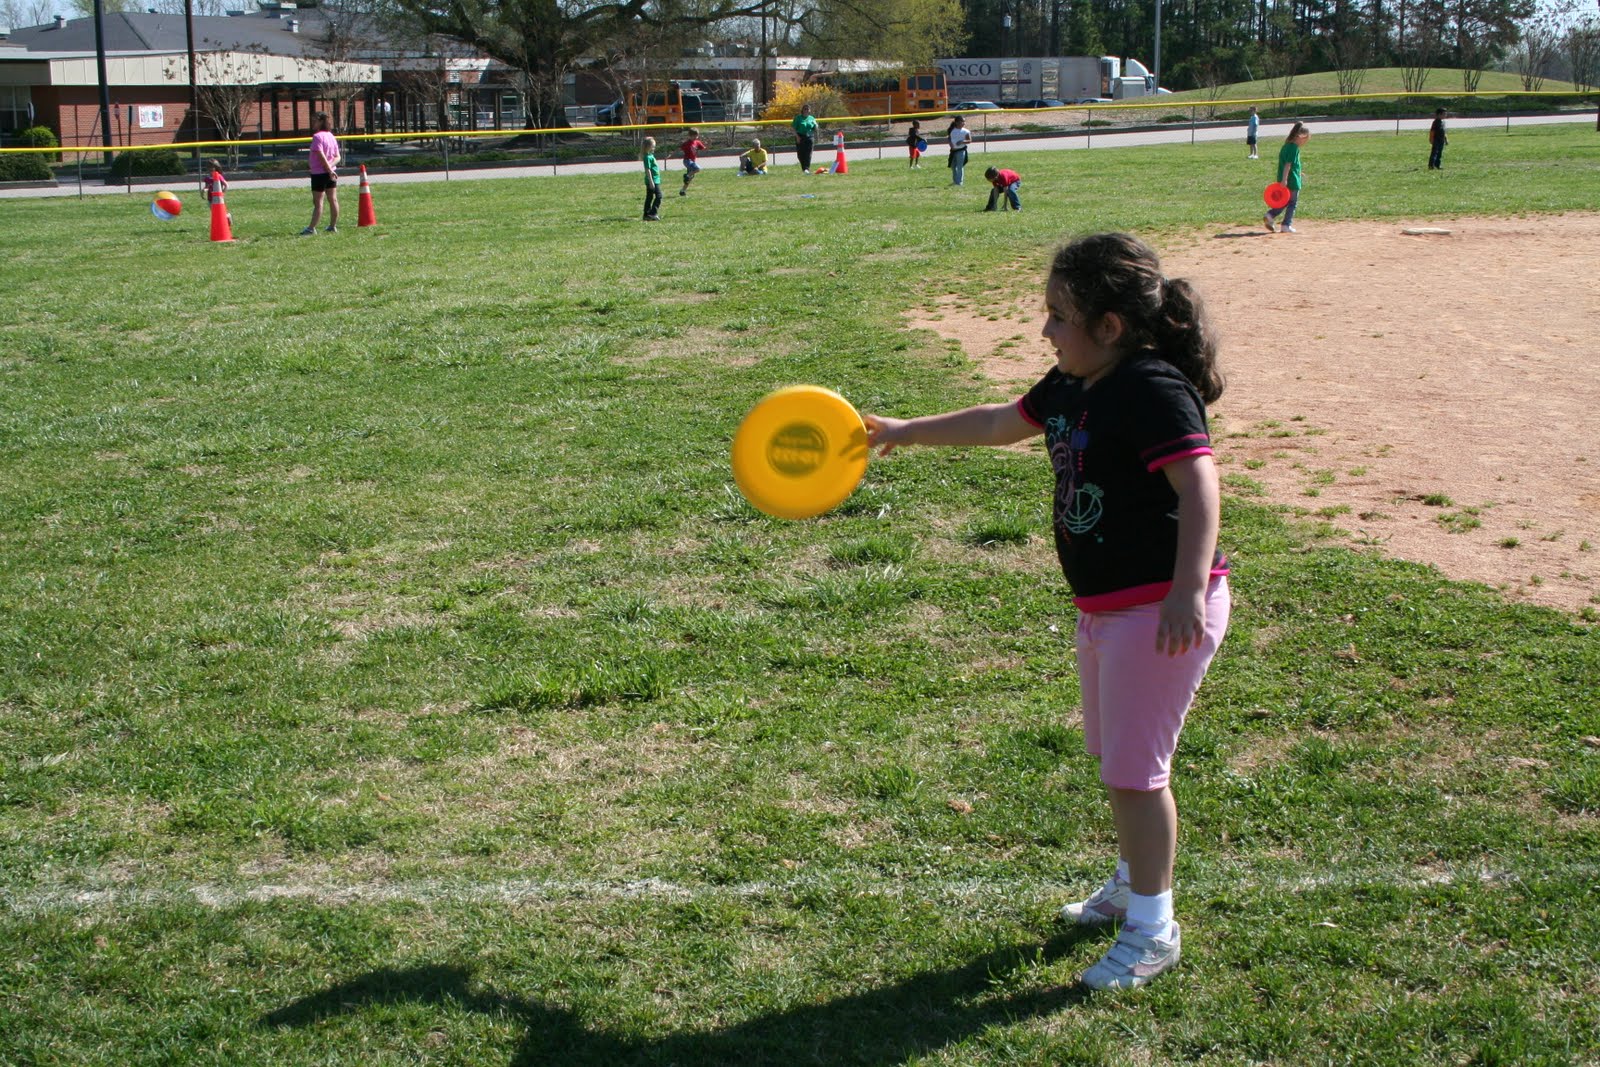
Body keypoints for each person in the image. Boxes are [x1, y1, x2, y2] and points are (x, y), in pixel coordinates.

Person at [863, 232, 1229, 992]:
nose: (1045, 330)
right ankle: (1133, 882)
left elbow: (1198, 485)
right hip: (1106, 612)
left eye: (1058, 316)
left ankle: (1154, 929)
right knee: (1116, 763)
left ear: (1109, 326)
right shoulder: (1072, 384)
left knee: (1137, 772)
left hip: (1158, 612)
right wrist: (904, 432)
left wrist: (1187, 589)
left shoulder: (1149, 387)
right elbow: (1000, 422)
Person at [300, 111, 341, 236]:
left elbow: (321, 154)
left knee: (318, 202)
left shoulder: (317, 137)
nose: (313, 123)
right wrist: (331, 169)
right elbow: (337, 157)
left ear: (321, 121)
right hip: (331, 173)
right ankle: (332, 226)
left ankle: (311, 228)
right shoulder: (331, 136)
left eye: (315, 120)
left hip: (320, 173)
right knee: (333, 199)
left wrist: (328, 170)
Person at [1264, 121, 1308, 234]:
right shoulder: (1294, 148)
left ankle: (1270, 216)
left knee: (1284, 201)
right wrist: (1285, 179)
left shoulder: (1286, 146)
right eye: (1305, 139)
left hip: (1287, 177)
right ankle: (1285, 224)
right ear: (1300, 136)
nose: (1305, 142)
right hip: (1291, 180)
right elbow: (1288, 164)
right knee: (1292, 203)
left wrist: (1298, 172)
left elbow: (1290, 165)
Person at [202, 158, 232, 228]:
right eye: (209, 168)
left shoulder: (219, 176)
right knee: (214, 212)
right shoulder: (207, 178)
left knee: (221, 212)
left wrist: (222, 193)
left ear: (216, 168)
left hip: (218, 198)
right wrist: (204, 190)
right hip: (210, 198)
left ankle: (228, 216)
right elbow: (207, 187)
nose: (210, 170)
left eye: (212, 168)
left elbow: (226, 185)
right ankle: (219, 224)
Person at [679, 128, 708, 195]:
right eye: (693, 136)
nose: (695, 137)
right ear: (689, 136)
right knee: (697, 169)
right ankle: (687, 175)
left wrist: (709, 144)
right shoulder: (686, 143)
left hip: (692, 161)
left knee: (689, 178)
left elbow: (705, 150)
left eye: (696, 136)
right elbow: (680, 148)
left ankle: (682, 191)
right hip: (687, 160)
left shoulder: (697, 142)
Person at [641, 136, 662, 221]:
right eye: (653, 146)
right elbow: (647, 170)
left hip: (655, 179)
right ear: (648, 146)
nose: (654, 147)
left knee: (649, 197)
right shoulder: (647, 157)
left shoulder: (650, 155)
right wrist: (651, 181)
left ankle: (646, 214)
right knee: (659, 196)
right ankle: (653, 213)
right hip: (652, 181)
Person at [793, 103, 817, 173]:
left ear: (810, 110)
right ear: (802, 110)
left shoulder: (811, 118)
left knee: (808, 153)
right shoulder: (798, 118)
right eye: (805, 109)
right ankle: (804, 168)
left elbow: (814, 128)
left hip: (809, 137)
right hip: (800, 137)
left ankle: (807, 168)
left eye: (808, 109)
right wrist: (797, 137)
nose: (806, 110)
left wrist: (816, 126)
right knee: (800, 154)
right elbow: (794, 128)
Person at [947, 115, 971, 186]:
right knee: (953, 166)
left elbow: (969, 140)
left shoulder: (966, 131)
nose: (963, 123)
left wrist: (962, 141)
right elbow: (949, 138)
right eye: (962, 121)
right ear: (957, 122)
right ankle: (955, 181)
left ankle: (959, 182)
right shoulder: (952, 130)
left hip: (961, 150)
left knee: (960, 166)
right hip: (953, 151)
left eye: (964, 121)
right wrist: (950, 144)